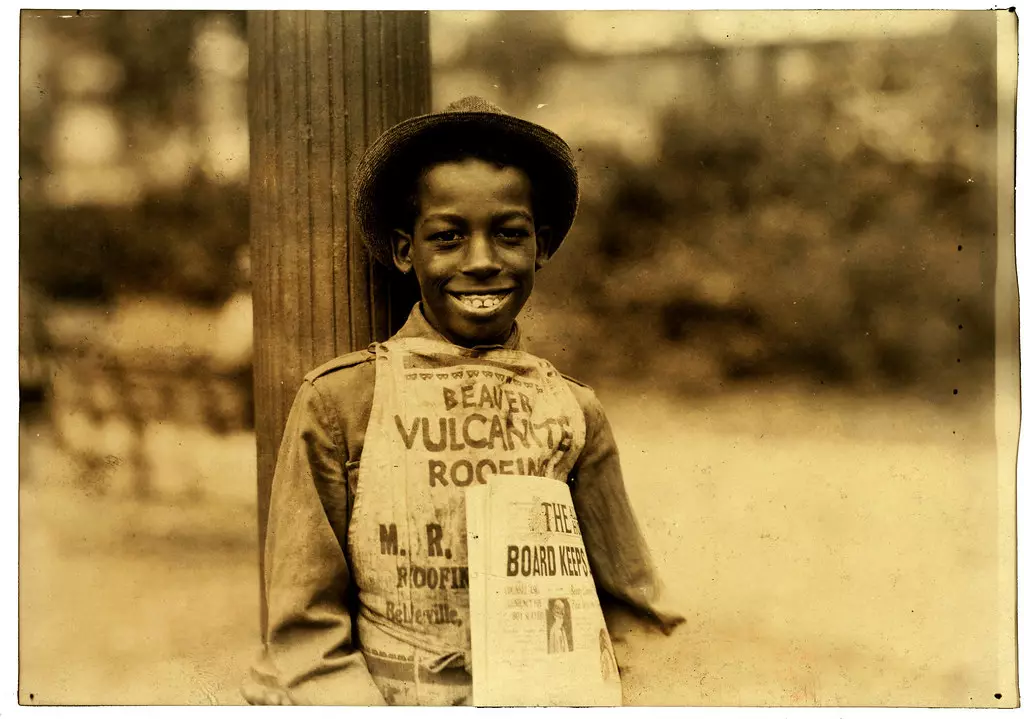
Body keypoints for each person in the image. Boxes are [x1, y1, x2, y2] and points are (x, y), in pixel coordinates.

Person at [242, 96, 682, 707]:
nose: (481, 262)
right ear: (405, 251)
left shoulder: (572, 410)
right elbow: (305, 633)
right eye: (448, 237)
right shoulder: (340, 401)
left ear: (541, 246)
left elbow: (636, 615)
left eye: (509, 235)